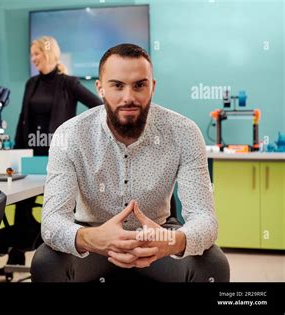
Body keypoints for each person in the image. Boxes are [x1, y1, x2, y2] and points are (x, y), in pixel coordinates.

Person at [30, 43, 230, 282]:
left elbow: (205, 218)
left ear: (152, 87)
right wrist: (90, 238)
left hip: (158, 237)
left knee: (214, 265)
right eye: (117, 85)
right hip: (94, 239)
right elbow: (51, 222)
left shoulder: (183, 132)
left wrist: (173, 242)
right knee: (45, 262)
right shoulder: (70, 135)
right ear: (100, 88)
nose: (128, 97)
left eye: (139, 85)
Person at [0, 36, 102, 269]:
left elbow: (99, 106)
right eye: (32, 55)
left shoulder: (68, 83)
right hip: (32, 153)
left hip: (58, 155)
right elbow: (23, 119)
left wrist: (80, 135)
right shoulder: (31, 83)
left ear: (50, 53)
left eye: (37, 54)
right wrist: (16, 153)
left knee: (58, 203)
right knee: (23, 200)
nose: (33, 59)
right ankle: (18, 249)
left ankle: (57, 249)